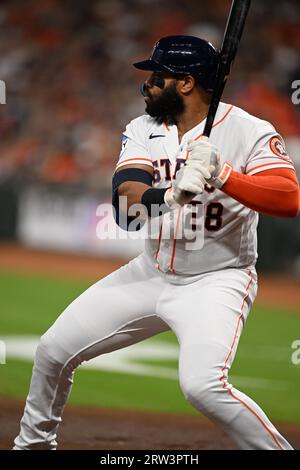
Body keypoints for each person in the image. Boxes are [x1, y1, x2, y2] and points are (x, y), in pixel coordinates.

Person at [14, 35, 299, 450]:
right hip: (150, 273)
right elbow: (126, 209)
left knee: (202, 386)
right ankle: (33, 444)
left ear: (186, 83)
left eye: (156, 76)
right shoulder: (144, 128)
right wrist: (169, 197)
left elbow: (289, 200)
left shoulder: (250, 131)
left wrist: (223, 175)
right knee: (53, 350)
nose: (146, 85)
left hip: (217, 280)